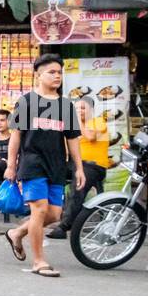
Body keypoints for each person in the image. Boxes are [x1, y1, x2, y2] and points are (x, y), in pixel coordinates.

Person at [4, 53, 85, 277]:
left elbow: (72, 139)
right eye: (52, 72)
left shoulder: (66, 105)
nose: (57, 76)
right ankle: (38, 261)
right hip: (33, 163)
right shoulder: (27, 101)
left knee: (54, 215)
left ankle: (17, 233)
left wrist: (79, 167)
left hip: (57, 165)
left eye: (59, 72)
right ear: (38, 75)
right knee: (39, 211)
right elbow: (16, 136)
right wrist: (11, 165)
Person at [49, 95, 109, 239]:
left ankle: (63, 227)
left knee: (78, 187)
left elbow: (90, 136)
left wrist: (76, 121)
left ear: (91, 109)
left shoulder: (98, 121)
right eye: (76, 108)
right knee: (48, 173)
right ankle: (51, 213)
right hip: (75, 164)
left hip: (93, 166)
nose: (79, 111)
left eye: (82, 108)